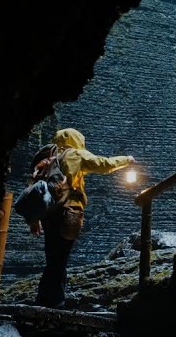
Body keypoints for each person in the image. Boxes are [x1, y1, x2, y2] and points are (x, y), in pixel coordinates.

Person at [28, 127, 135, 309]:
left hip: (48, 214)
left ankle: (45, 300)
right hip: (68, 212)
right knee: (60, 260)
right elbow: (104, 164)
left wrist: (33, 219)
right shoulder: (75, 155)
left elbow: (36, 190)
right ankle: (54, 304)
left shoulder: (50, 160)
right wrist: (127, 160)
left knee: (53, 259)